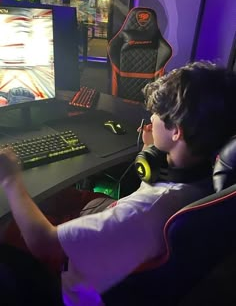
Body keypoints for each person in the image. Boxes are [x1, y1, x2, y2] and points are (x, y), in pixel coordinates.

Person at [0, 61, 236, 306]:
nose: (150, 120)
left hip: (71, 279)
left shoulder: (145, 209)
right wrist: (150, 148)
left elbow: (44, 244)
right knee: (57, 195)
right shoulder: (208, 179)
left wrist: (10, 179)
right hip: (125, 239)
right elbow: (152, 201)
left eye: (155, 114)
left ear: (176, 131)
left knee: (7, 221)